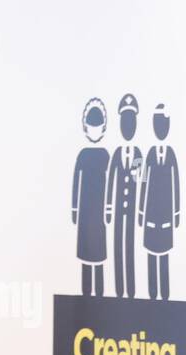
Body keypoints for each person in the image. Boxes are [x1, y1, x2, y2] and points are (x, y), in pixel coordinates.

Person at [140, 103, 180, 300]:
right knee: (150, 256)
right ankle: (152, 294)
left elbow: (177, 184)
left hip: (165, 217)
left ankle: (164, 296)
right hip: (150, 216)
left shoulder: (171, 154)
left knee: (163, 256)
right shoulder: (148, 155)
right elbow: (144, 182)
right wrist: (140, 211)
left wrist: (176, 214)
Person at [106, 93, 144, 298]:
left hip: (131, 212)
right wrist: (109, 209)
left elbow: (143, 182)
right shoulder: (116, 154)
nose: (127, 126)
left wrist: (141, 211)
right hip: (118, 212)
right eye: (125, 121)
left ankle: (130, 291)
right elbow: (110, 182)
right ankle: (119, 290)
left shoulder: (139, 154)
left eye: (131, 121)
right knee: (117, 250)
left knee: (129, 250)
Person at [73, 98, 109, 296]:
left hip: (100, 215)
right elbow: (75, 185)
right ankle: (87, 295)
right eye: (91, 125)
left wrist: (109, 209)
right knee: (86, 258)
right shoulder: (83, 155)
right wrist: (75, 210)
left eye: (97, 125)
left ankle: (100, 295)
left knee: (100, 257)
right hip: (85, 216)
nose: (94, 129)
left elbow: (111, 184)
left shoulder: (105, 155)